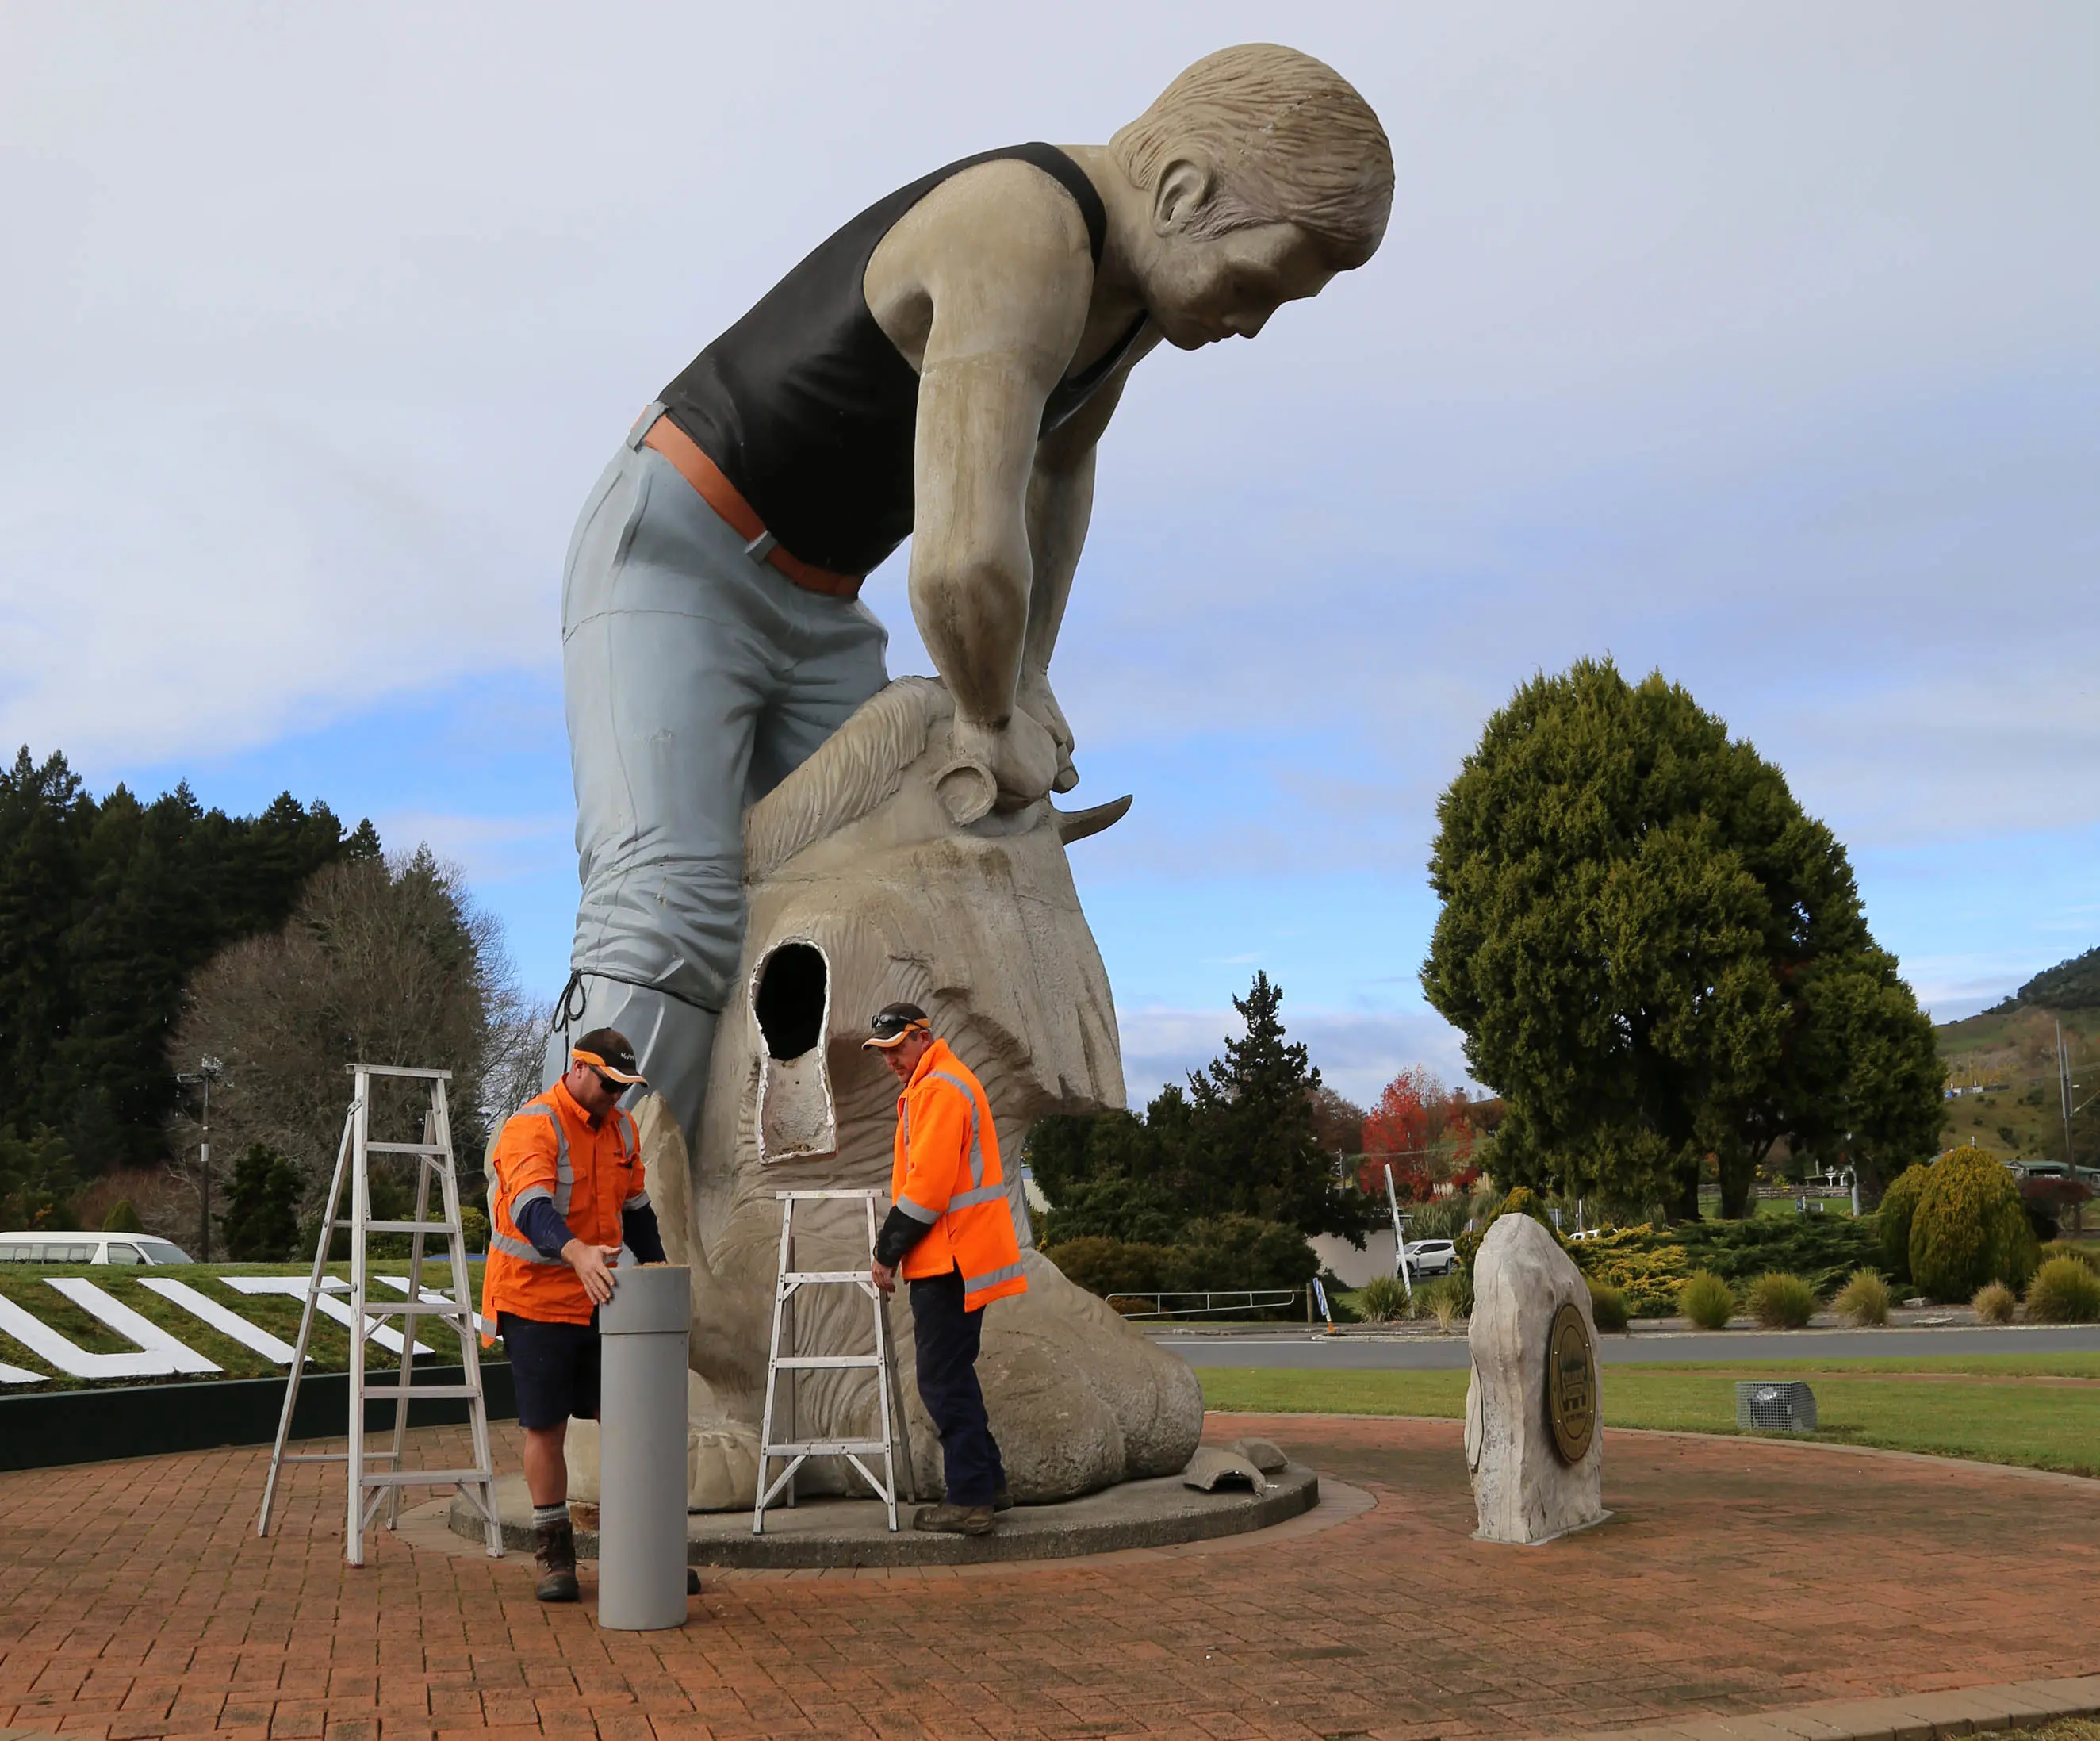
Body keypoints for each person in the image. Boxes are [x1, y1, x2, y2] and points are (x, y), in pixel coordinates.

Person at [546, 44, 1395, 1150]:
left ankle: (845, 1208)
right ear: (1184, 193)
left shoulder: (1127, 299)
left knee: (912, 883)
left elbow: (1056, 467)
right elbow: (957, 561)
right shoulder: (1024, 229)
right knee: (665, 902)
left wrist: (1027, 687)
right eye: (1255, 280)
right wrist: (988, 721)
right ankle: (572, 1234)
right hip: (680, 554)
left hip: (818, 601)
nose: (1252, 321)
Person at [481, 1027, 668, 1602]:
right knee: (547, 1426)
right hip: (535, 1300)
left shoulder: (624, 1128)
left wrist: (660, 1273)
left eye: (624, 1086)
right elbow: (531, 1208)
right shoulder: (532, 1126)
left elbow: (636, 1210)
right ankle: (554, 1551)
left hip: (602, 1298)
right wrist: (577, 1251)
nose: (618, 1095)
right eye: (610, 1083)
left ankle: (641, 1548)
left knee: (630, 1417)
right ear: (579, 1069)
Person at [863, 1003, 1029, 1536]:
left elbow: (927, 1190)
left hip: (948, 1259)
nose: (889, 1060)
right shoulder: (943, 1082)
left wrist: (886, 1252)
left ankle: (972, 1498)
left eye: (895, 1048)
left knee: (941, 1378)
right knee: (954, 1373)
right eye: (882, 1052)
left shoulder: (938, 1089)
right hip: (959, 1254)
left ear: (922, 1037)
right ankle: (989, 1481)